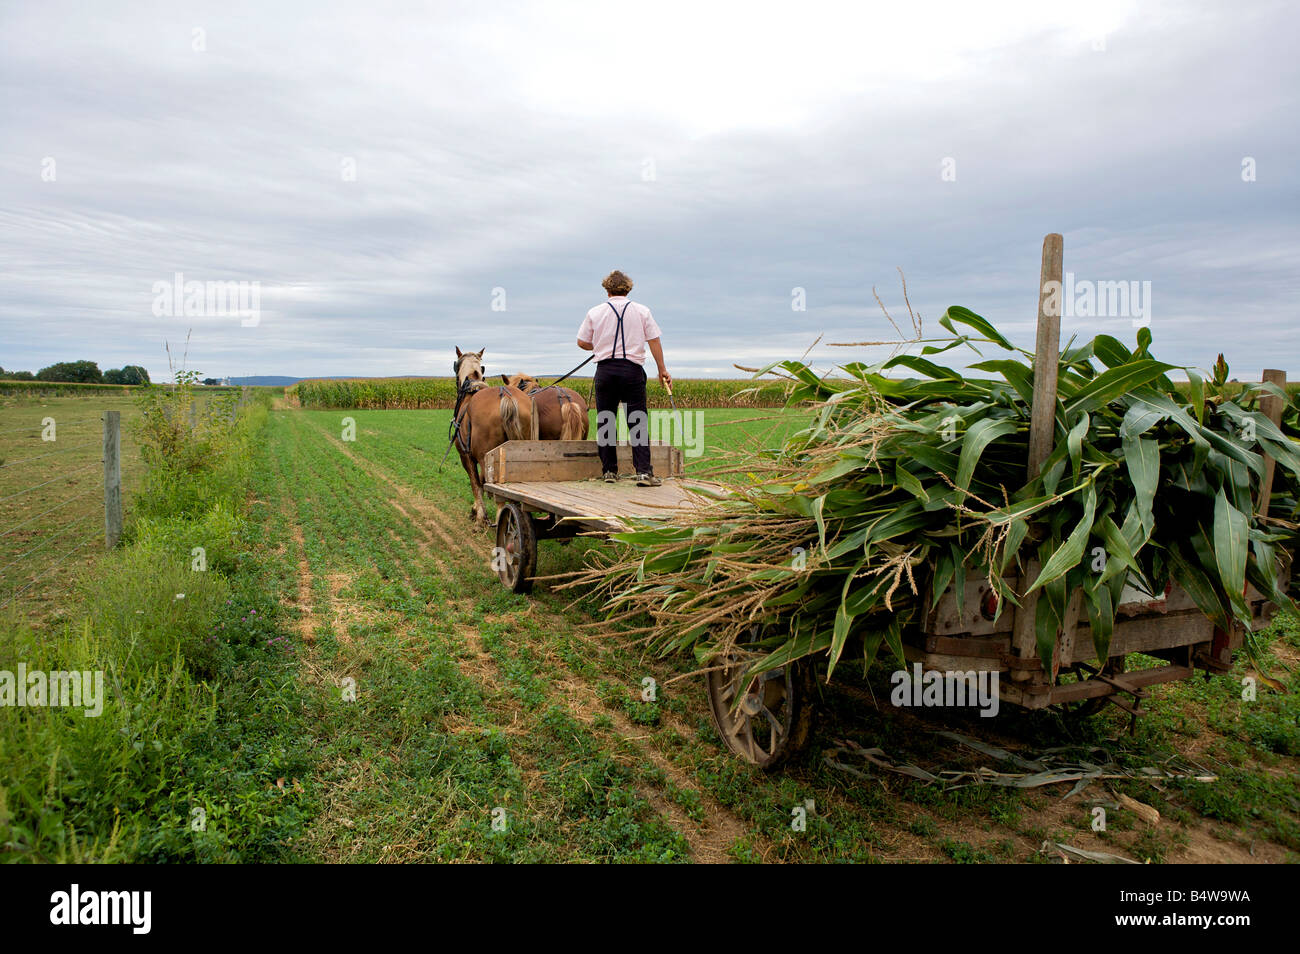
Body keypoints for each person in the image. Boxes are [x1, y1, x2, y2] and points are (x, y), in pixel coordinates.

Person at [577, 270, 671, 486]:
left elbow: (582, 342)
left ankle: (609, 471)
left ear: (607, 289)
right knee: (637, 421)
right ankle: (644, 473)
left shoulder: (595, 312)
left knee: (606, 421)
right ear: (628, 288)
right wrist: (662, 369)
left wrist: (600, 345)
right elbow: (654, 340)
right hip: (632, 371)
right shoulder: (642, 311)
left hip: (605, 371)